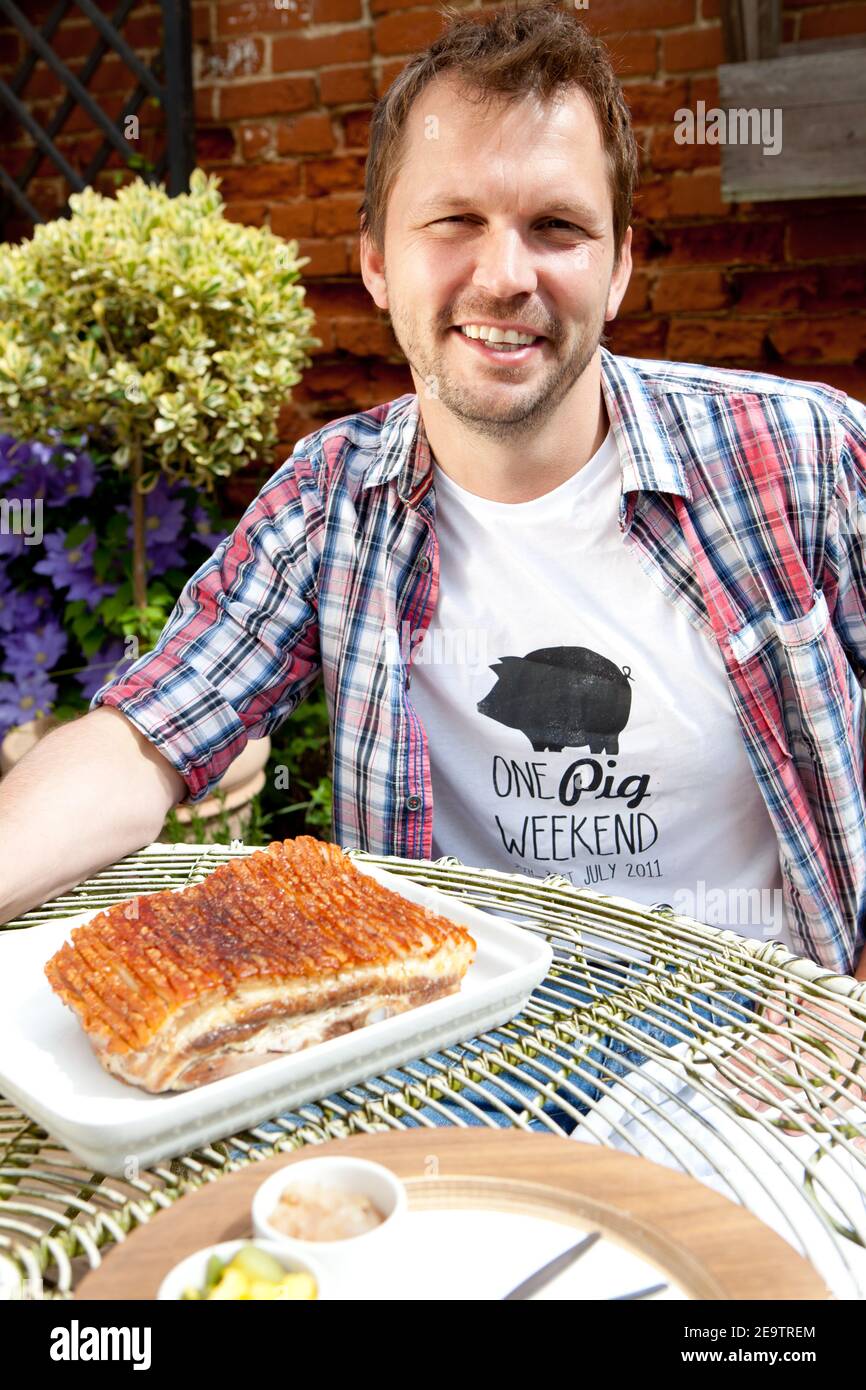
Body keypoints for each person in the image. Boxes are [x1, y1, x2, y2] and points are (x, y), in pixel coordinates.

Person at [2, 2, 865, 983]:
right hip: (454, 1047)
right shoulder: (331, 501)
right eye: (455, 221)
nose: (505, 275)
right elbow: (145, 739)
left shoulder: (801, 458)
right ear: (376, 260)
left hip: (756, 1048)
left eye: (557, 226)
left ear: (619, 266)